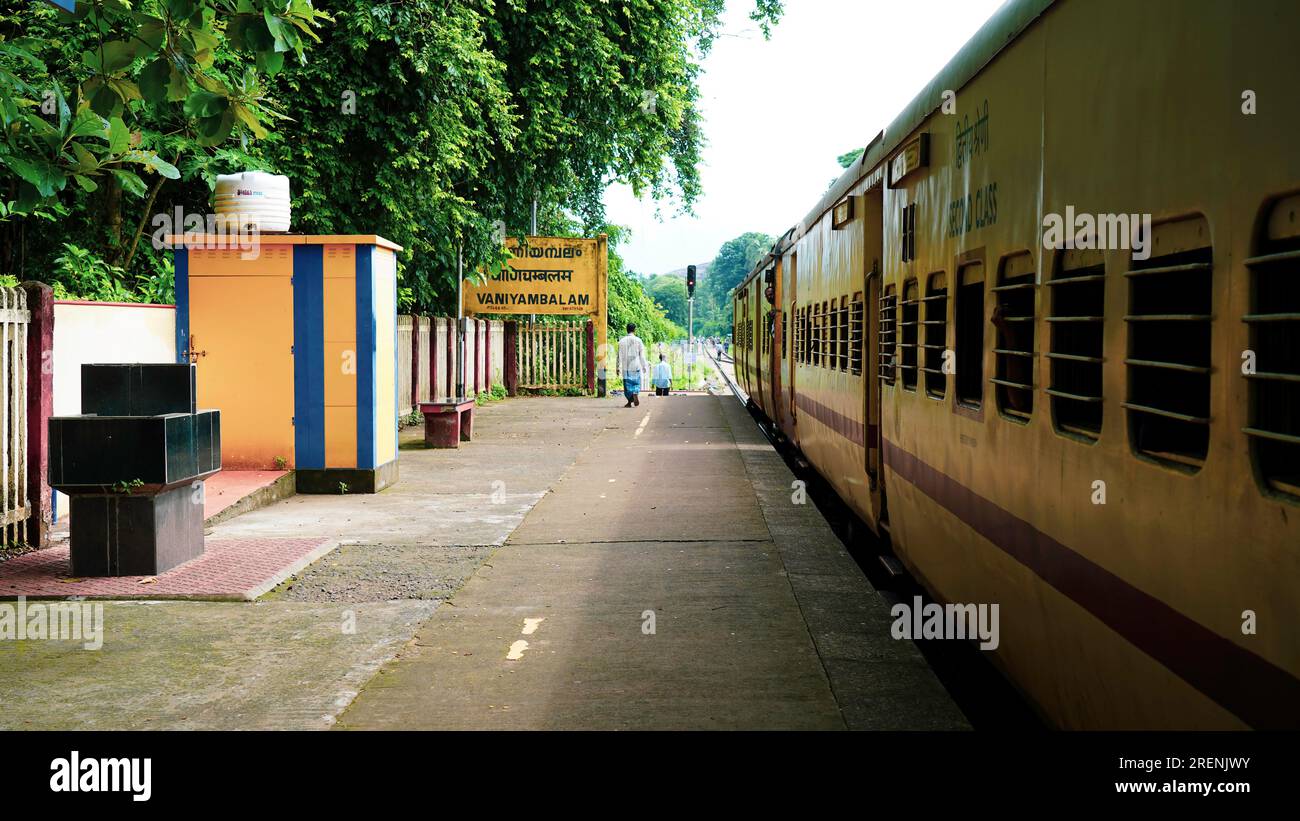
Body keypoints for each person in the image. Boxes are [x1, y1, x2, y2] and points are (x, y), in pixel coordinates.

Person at [616, 322, 647, 407]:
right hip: (636, 365)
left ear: (627, 330)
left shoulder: (621, 341)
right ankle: (635, 392)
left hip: (625, 366)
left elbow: (618, 356)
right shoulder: (638, 340)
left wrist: (617, 367)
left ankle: (629, 402)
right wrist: (644, 366)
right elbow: (642, 355)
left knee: (627, 385)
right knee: (636, 382)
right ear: (634, 330)